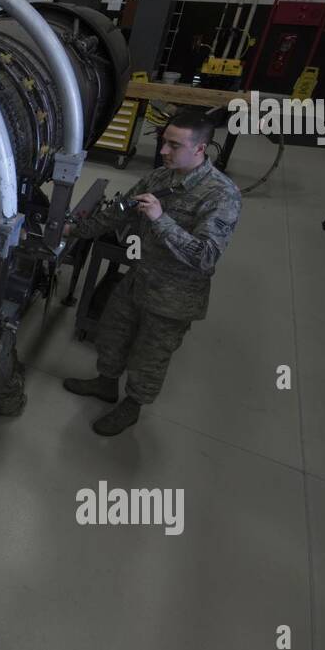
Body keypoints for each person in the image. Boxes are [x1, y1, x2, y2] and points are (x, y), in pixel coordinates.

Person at [63, 110, 242, 436]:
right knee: (112, 333)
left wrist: (161, 220)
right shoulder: (160, 178)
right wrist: (72, 230)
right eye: (163, 143)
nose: (163, 151)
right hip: (140, 278)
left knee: (150, 356)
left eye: (174, 146)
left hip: (175, 296)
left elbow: (206, 257)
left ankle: (132, 407)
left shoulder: (222, 195)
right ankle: (106, 384)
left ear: (200, 149)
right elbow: (117, 214)